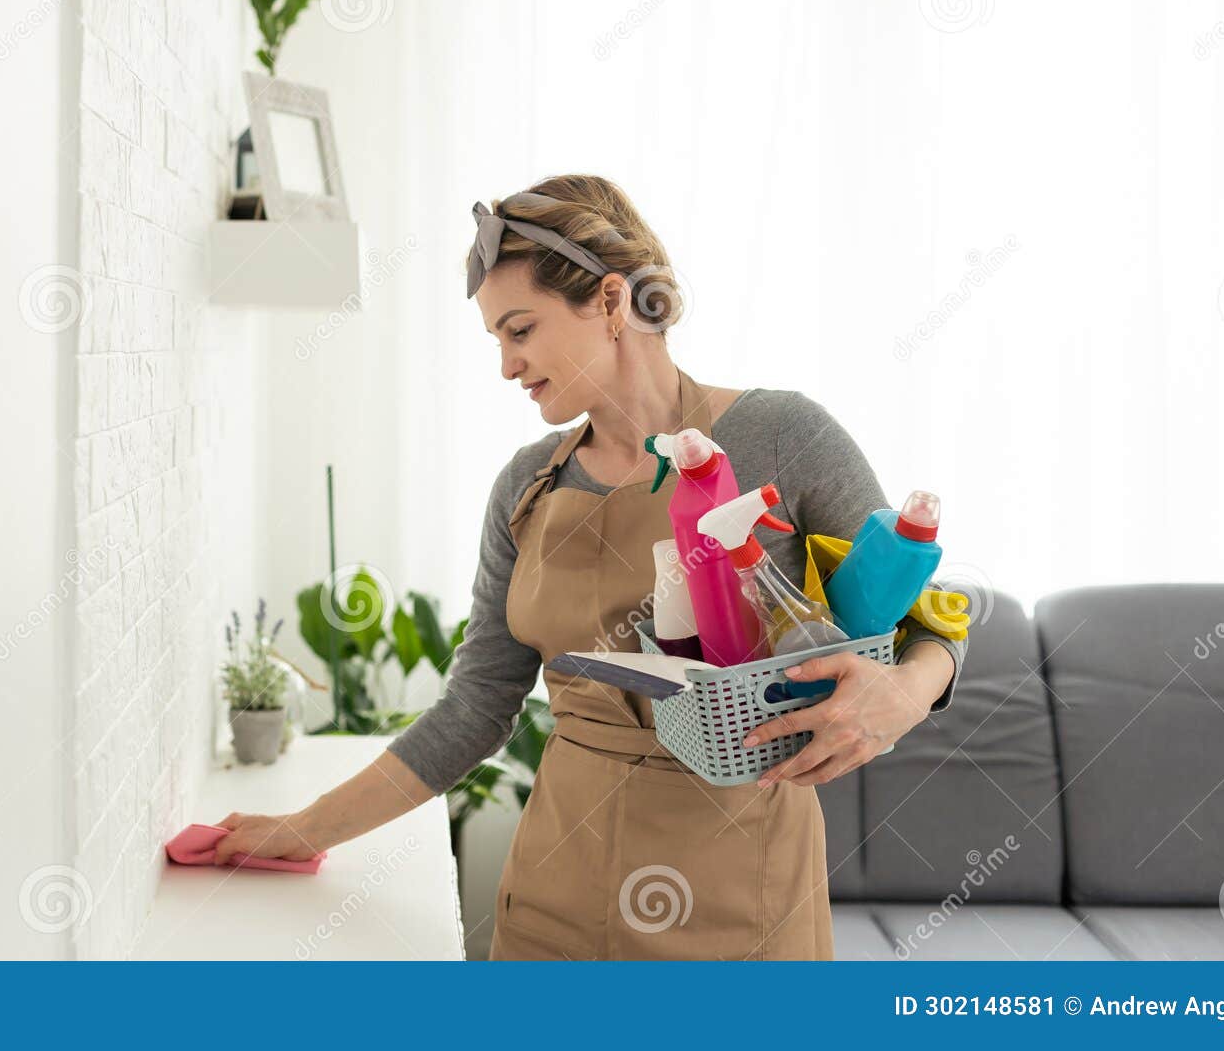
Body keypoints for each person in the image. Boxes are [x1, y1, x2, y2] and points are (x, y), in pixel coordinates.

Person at [215, 173, 967, 960]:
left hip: (740, 900)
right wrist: (302, 830)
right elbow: (476, 706)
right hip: (555, 893)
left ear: (611, 302)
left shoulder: (781, 435)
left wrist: (907, 693)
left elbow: (926, 613)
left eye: (520, 330)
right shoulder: (527, 486)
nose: (507, 365)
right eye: (496, 340)